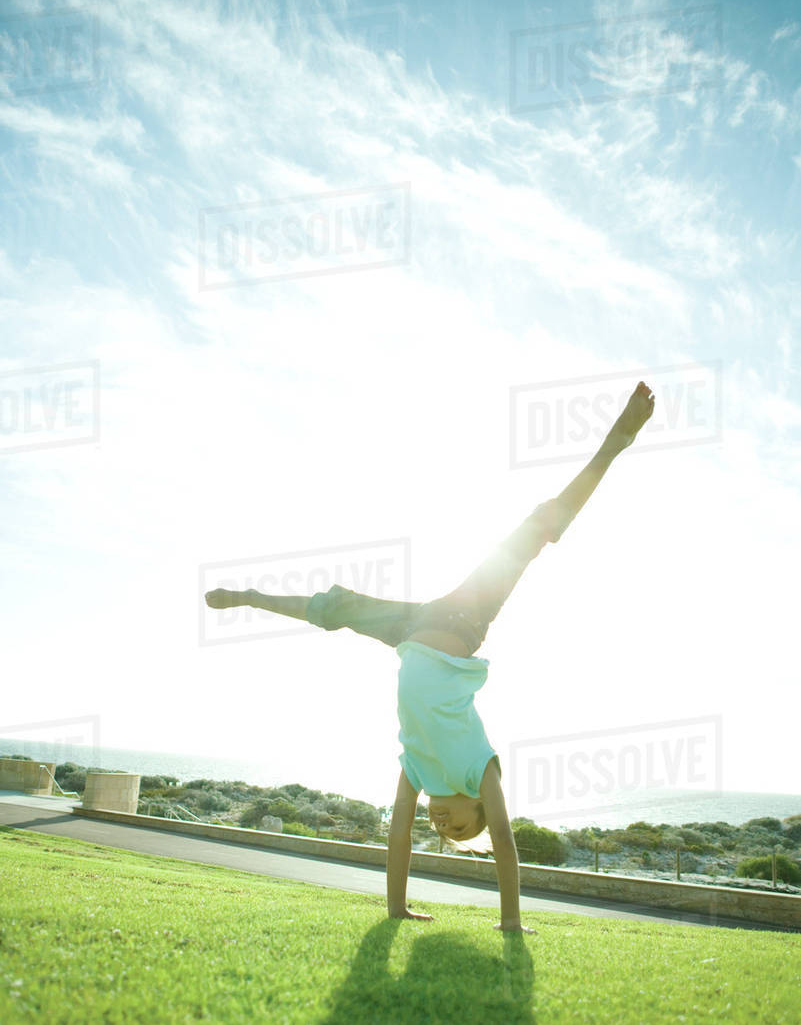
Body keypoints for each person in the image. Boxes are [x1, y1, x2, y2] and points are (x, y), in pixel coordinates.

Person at [205, 381, 655, 932]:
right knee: (539, 528)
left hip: (411, 632)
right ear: (478, 808)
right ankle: (616, 441)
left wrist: (395, 909)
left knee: (334, 609)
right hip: (466, 621)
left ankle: (249, 597)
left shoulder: (416, 768)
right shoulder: (479, 768)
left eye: (446, 833)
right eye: (464, 828)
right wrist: (510, 921)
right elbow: (507, 847)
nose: (447, 826)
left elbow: (398, 834)